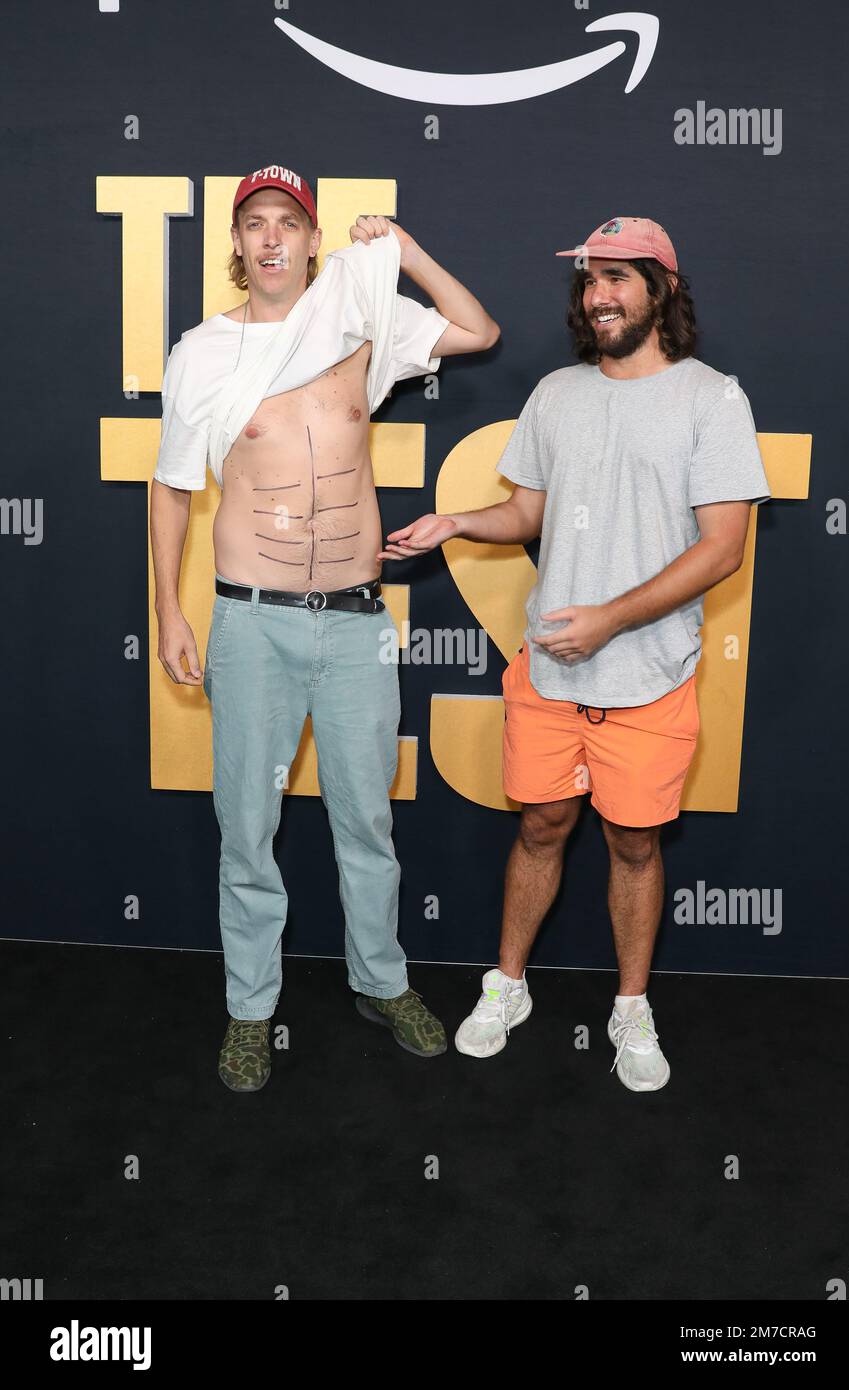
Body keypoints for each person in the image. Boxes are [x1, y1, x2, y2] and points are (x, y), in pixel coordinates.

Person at [378, 215, 771, 1092]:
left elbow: (723, 549)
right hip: (550, 672)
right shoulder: (557, 393)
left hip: (649, 676)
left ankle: (631, 1005)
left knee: (635, 845)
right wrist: (458, 523)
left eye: (619, 278)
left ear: (662, 289)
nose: (599, 295)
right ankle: (508, 985)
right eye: (590, 280)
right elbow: (529, 513)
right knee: (541, 826)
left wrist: (613, 619)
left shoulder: (714, 398)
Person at [150, 163, 499, 1091]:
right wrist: (167, 609)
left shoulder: (357, 323)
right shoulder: (203, 354)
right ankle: (250, 1010)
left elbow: (478, 329)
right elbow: (172, 486)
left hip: (354, 623)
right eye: (254, 223)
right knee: (248, 828)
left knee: (367, 822)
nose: (271, 238)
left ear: (314, 240)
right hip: (250, 622)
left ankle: (382, 983)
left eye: (288, 223)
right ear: (235, 243)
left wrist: (405, 251)